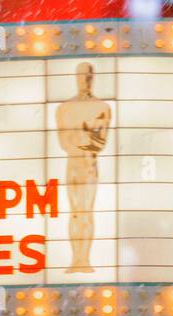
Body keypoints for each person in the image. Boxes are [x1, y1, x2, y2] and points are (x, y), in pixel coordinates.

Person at [55, 62, 111, 274]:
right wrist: (86, 134)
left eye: (88, 76)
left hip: (89, 165)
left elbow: (100, 143)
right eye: (80, 75)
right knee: (76, 212)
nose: (84, 80)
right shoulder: (65, 108)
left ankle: (84, 259)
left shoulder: (101, 107)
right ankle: (76, 259)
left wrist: (80, 136)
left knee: (86, 211)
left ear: (92, 78)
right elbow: (64, 142)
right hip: (74, 164)